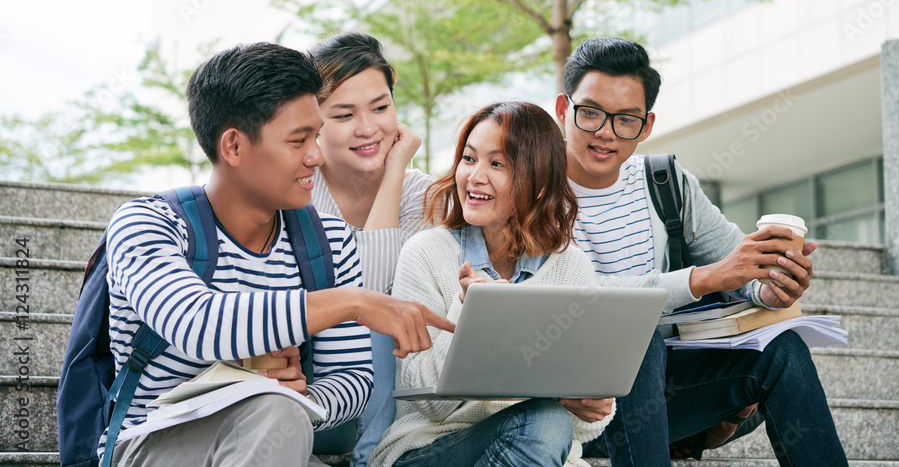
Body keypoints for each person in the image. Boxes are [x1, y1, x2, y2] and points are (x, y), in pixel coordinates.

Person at [102, 42, 453, 467]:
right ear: (233, 147)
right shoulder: (148, 225)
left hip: (274, 441)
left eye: (316, 135)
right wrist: (355, 301)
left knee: (274, 410)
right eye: (298, 140)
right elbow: (195, 322)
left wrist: (300, 394)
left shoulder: (329, 240)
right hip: (151, 444)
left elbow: (354, 380)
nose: (315, 156)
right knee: (271, 409)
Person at [554, 38, 847, 467]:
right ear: (564, 109)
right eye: (591, 113)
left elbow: (739, 265)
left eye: (626, 120)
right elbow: (582, 296)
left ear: (647, 125)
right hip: (571, 404)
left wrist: (771, 285)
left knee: (783, 348)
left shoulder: (664, 183)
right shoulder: (531, 192)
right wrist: (704, 278)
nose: (605, 132)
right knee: (635, 337)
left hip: (660, 402)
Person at [369, 102, 616, 467]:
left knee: (550, 423)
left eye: (497, 164)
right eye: (469, 159)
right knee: (545, 422)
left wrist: (593, 407)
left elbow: (581, 429)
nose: (475, 176)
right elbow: (421, 399)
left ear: (539, 180)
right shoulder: (425, 253)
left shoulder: (571, 266)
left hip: (539, 448)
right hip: (432, 448)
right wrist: (470, 311)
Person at [309, 32, 434, 466]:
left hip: (397, 401)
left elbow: (393, 294)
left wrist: (396, 172)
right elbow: (364, 295)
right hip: (317, 396)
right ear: (312, 122)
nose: (368, 128)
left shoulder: (423, 195)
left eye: (381, 108)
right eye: (343, 114)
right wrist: (394, 170)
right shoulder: (297, 193)